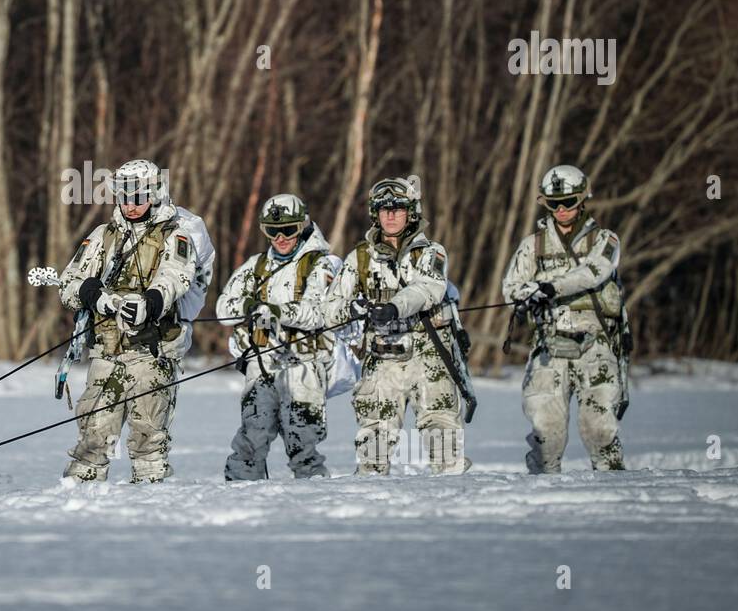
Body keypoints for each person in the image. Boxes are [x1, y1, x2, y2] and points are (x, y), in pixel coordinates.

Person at [56, 160, 206, 483]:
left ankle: (149, 515)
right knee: (93, 439)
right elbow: (68, 282)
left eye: (138, 197)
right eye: (124, 197)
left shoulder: (175, 235)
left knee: (148, 442)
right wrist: (92, 294)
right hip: (105, 355)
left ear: (154, 194)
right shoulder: (102, 237)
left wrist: (149, 304)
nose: (131, 205)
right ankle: (79, 508)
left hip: (152, 355)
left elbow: (175, 277)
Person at [326, 177, 468, 475]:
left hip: (429, 357)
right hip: (381, 361)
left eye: (398, 208)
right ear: (374, 213)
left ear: (411, 212)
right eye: (383, 209)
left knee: (443, 444)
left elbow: (429, 289)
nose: (390, 215)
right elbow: (330, 309)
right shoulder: (359, 259)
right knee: (372, 451)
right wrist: (352, 308)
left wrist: (393, 307)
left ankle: (453, 510)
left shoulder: (430, 252)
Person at [215, 194, 358, 479]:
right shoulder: (256, 267)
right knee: (251, 439)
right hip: (262, 363)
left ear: (302, 226)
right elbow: (223, 308)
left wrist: (276, 311)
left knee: (302, 445)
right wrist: (249, 306)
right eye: (272, 231)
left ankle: (309, 507)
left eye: (288, 230)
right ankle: (239, 503)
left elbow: (320, 313)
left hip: (304, 365)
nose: (280, 238)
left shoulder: (323, 265)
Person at [501, 164, 628, 473]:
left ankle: (616, 500)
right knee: (547, 434)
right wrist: (527, 294)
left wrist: (551, 286)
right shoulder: (532, 245)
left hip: (595, 345)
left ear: (583, 199)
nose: (561, 209)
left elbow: (593, 273)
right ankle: (541, 500)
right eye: (553, 203)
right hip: (549, 346)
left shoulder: (605, 240)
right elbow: (510, 288)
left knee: (599, 429)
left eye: (568, 202)